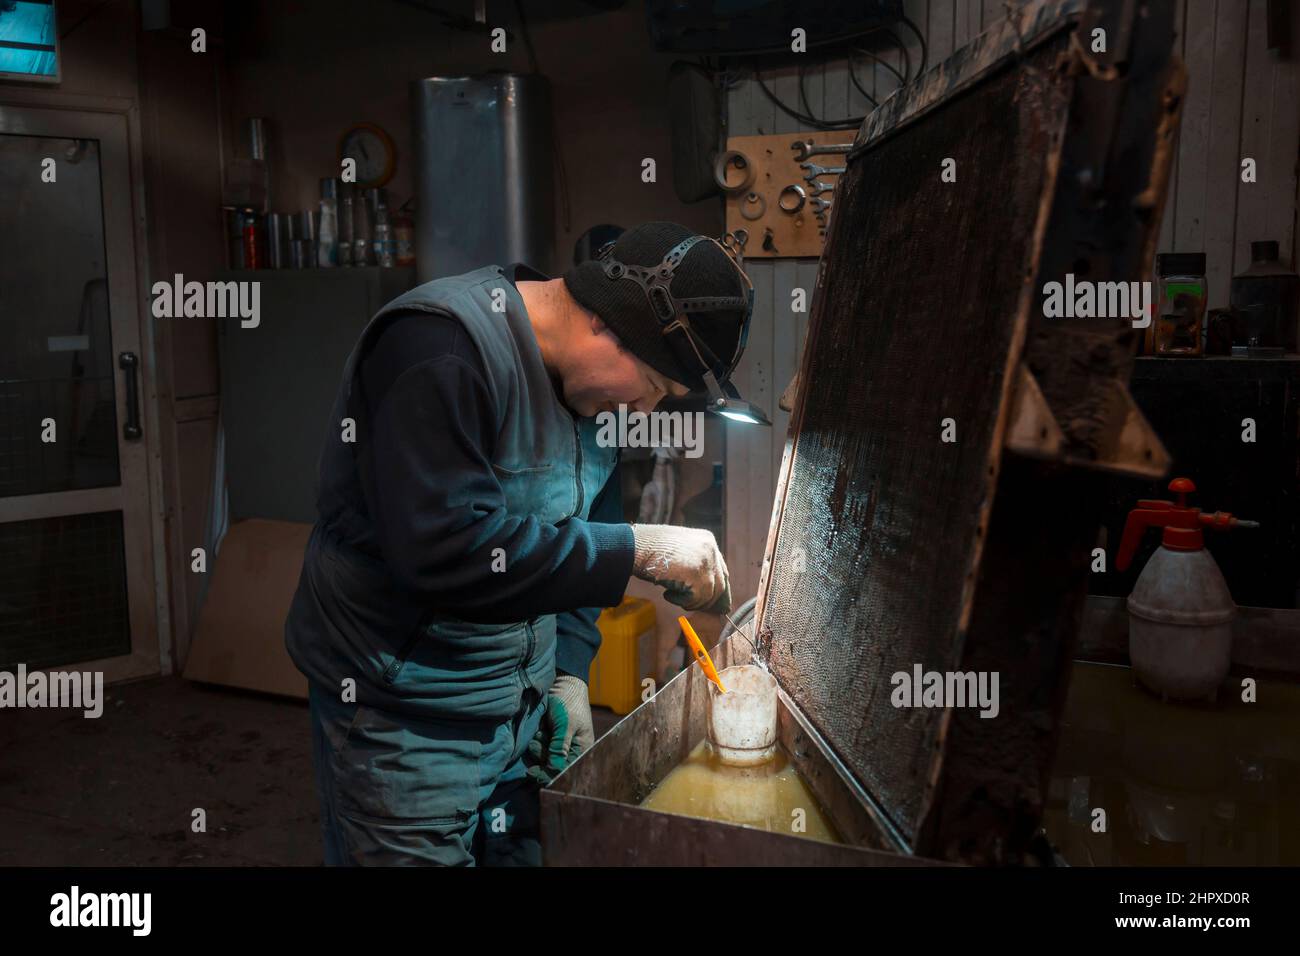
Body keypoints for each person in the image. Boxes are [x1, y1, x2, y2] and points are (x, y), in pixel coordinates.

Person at [284, 220, 762, 865]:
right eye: (653, 387)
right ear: (607, 324)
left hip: (523, 713)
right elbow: (443, 550)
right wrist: (636, 550)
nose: (644, 412)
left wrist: (566, 668)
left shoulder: (594, 400)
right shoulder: (438, 348)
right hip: (404, 723)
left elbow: (577, 530)